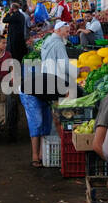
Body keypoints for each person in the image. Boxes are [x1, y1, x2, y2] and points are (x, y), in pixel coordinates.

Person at [20, 20, 76, 167]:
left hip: (41, 90)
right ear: (58, 30)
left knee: (46, 123)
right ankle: (34, 157)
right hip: (28, 93)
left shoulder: (50, 40)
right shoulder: (60, 87)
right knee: (37, 123)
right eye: (67, 31)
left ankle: (43, 155)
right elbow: (58, 116)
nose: (68, 34)